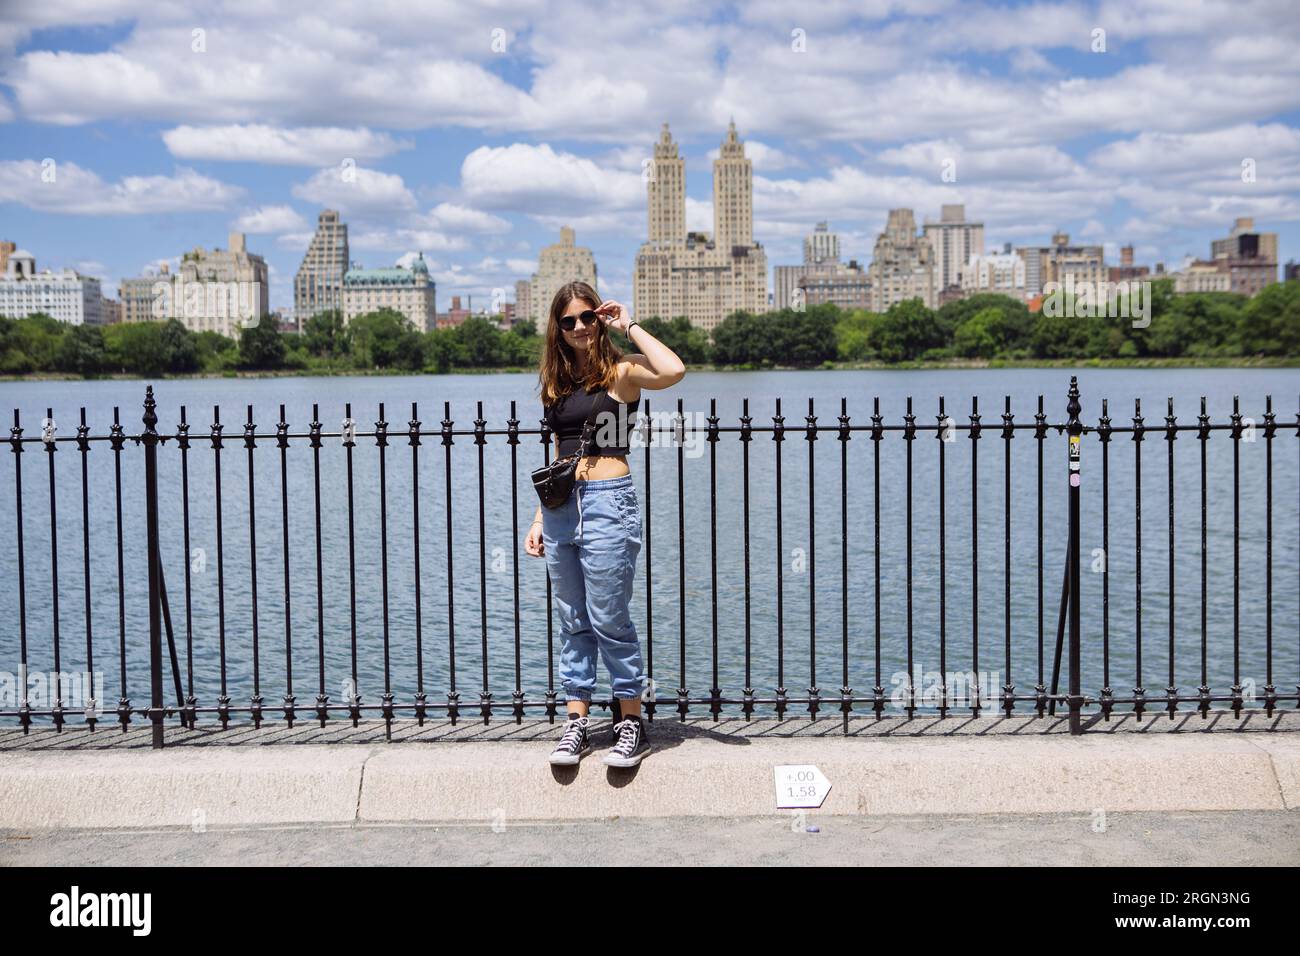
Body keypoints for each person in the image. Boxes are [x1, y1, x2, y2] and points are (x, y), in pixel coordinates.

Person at [524, 281, 685, 767]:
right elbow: (559, 451)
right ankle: (576, 724)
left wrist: (627, 323)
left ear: (598, 319)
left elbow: (674, 369)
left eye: (586, 317)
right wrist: (538, 516)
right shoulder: (556, 383)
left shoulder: (622, 373)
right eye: (568, 321)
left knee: (609, 617)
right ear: (558, 328)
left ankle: (630, 721)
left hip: (608, 501)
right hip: (560, 508)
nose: (577, 328)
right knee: (573, 620)